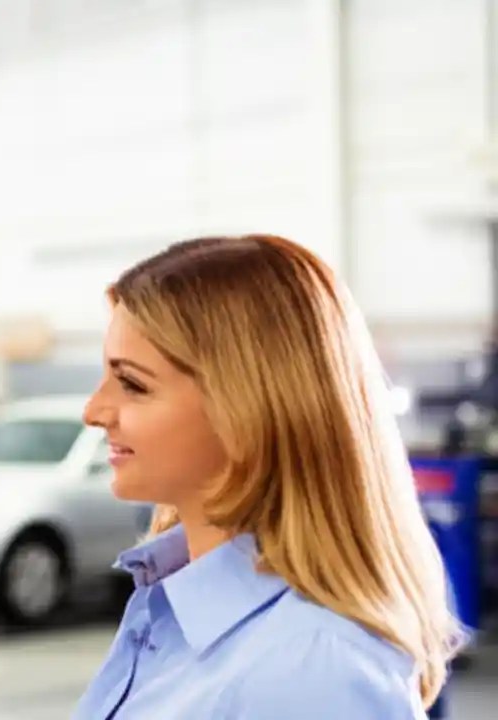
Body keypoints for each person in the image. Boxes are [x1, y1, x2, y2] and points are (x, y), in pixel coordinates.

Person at [73, 235, 464, 719]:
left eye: (132, 383)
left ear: (247, 408)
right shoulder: (170, 614)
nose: (93, 411)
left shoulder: (313, 671)